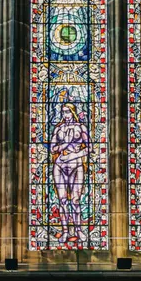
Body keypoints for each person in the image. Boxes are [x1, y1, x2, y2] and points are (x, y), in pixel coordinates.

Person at [50, 102, 89, 246]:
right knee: (62, 201)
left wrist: (74, 155)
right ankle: (65, 230)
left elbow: (89, 148)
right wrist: (65, 145)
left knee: (75, 200)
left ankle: (78, 230)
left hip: (76, 164)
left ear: (72, 112)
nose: (65, 115)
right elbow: (53, 148)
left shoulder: (81, 128)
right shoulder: (59, 129)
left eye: (67, 112)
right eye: (63, 112)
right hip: (60, 165)